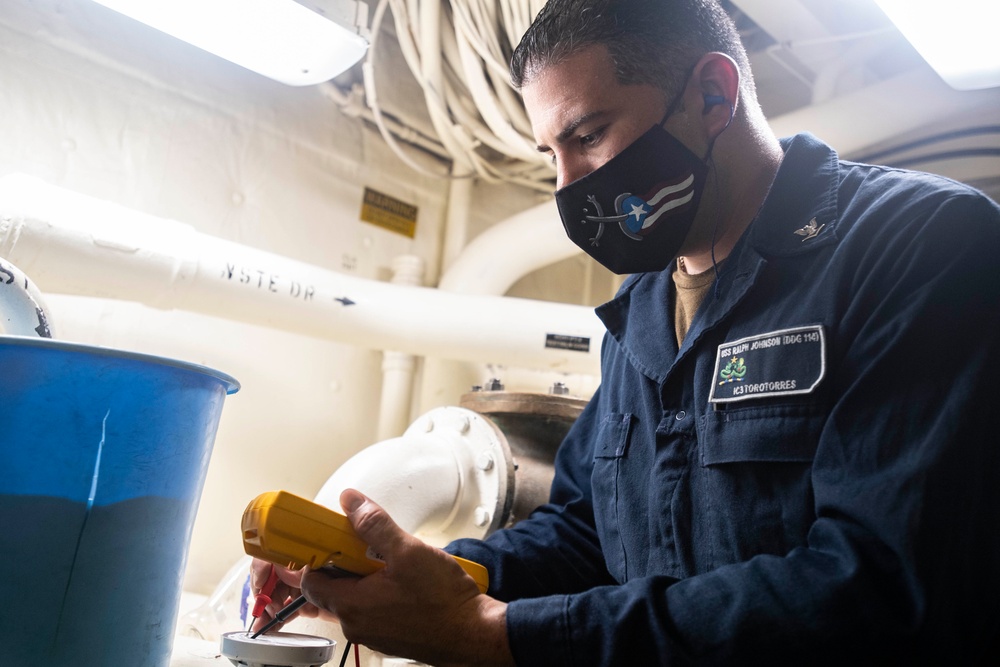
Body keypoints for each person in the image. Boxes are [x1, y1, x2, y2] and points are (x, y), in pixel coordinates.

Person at [251, 0, 1000, 663]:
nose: (568, 185)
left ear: (713, 93)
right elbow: (588, 533)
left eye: (590, 134)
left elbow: (878, 584)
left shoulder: (921, 246)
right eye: (552, 153)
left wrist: (492, 635)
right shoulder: (639, 309)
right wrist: (401, 571)